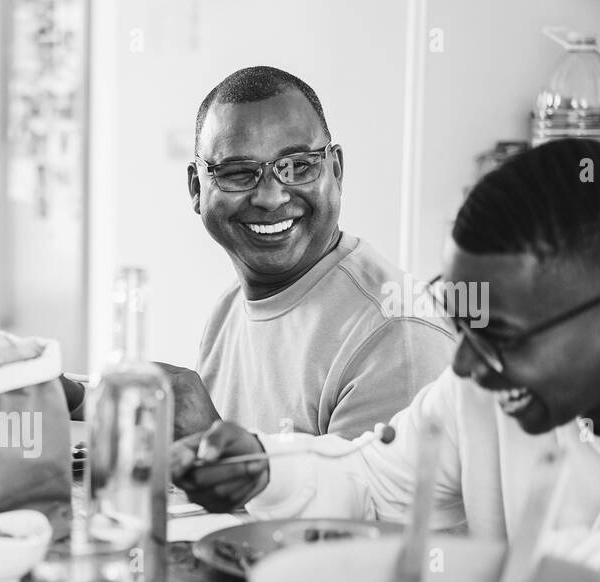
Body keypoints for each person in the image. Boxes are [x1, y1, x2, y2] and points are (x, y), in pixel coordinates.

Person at [172, 139, 600, 582]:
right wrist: (264, 468)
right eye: (463, 325)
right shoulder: (478, 395)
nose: (463, 364)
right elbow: (375, 483)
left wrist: (502, 573)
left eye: (500, 337)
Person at [171, 65, 454, 439]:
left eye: (298, 166)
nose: (271, 197)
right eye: (238, 171)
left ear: (335, 170)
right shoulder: (228, 309)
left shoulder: (396, 338)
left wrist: (210, 441)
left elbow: (366, 499)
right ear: (196, 188)